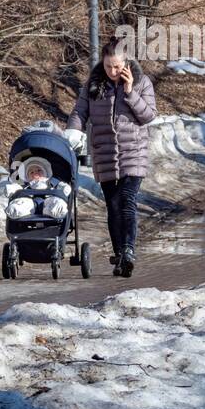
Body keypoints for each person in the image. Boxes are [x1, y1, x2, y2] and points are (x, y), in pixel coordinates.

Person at [66, 38, 157, 276]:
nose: (113, 71)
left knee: (127, 200)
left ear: (127, 63)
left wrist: (129, 93)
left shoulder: (142, 83)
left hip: (132, 152)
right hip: (104, 152)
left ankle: (128, 251)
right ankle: (120, 256)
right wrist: (74, 131)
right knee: (113, 206)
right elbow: (79, 112)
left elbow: (148, 116)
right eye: (108, 67)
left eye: (117, 67)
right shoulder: (94, 86)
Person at [5, 157, 70, 220]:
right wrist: (11, 189)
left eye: (39, 170)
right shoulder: (26, 186)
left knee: (56, 201)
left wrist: (64, 188)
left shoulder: (51, 183)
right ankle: (16, 210)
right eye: (31, 172)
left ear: (45, 173)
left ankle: (57, 210)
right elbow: (17, 188)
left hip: (48, 201)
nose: (35, 173)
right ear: (27, 177)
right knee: (23, 203)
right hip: (30, 204)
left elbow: (60, 186)